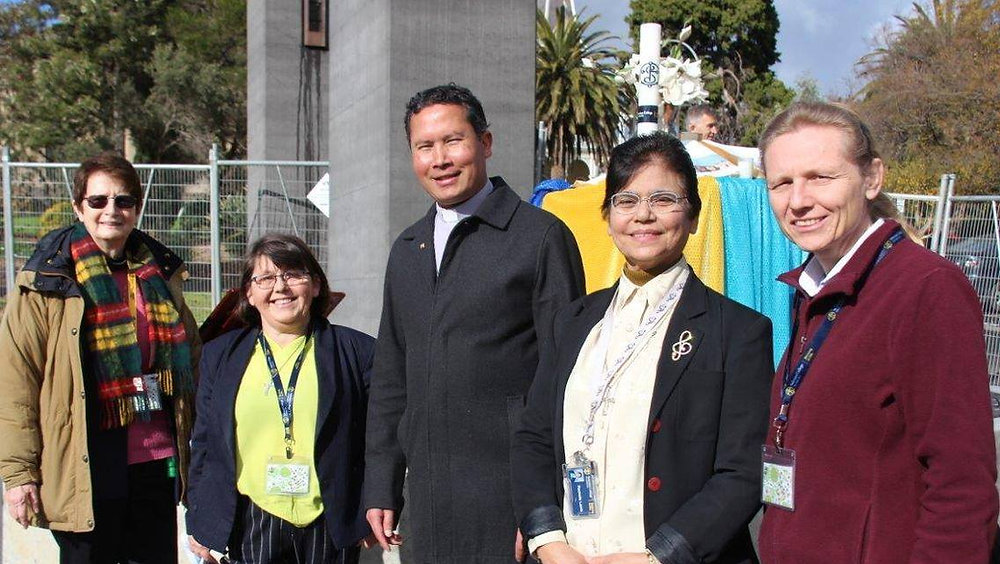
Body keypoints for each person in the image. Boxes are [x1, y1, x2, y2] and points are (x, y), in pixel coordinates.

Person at [511, 132, 773, 564]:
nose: (643, 216)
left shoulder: (738, 331)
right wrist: (546, 536)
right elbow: (534, 437)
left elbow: (743, 473)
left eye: (664, 199)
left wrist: (661, 556)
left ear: (692, 215)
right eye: (626, 200)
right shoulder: (574, 323)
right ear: (609, 214)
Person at [756, 102, 999, 562]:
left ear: (872, 178)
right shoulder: (813, 289)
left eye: (821, 177)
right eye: (782, 183)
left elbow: (961, 485)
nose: (799, 200)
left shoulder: (925, 289)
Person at [363, 83, 586, 563]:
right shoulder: (407, 249)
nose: (439, 159)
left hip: (509, 496)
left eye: (453, 141)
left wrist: (544, 505)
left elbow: (568, 377)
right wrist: (381, 481)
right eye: (424, 147)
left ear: (485, 143)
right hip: (426, 497)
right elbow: (390, 375)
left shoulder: (540, 237)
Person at [0, 152, 200, 562]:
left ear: (138, 208)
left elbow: (193, 358)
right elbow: (17, 379)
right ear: (79, 206)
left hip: (157, 457)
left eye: (124, 201)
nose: (112, 210)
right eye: (99, 200)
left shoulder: (160, 275)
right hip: (84, 457)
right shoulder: (47, 280)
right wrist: (18, 474)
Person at [186, 233, 375, 563]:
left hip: (329, 519)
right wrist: (200, 519)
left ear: (315, 286)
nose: (280, 287)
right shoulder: (220, 356)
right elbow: (204, 443)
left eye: (293, 275)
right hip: (252, 519)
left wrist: (376, 504)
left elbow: (379, 440)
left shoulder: (357, 352)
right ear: (249, 292)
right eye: (266, 278)